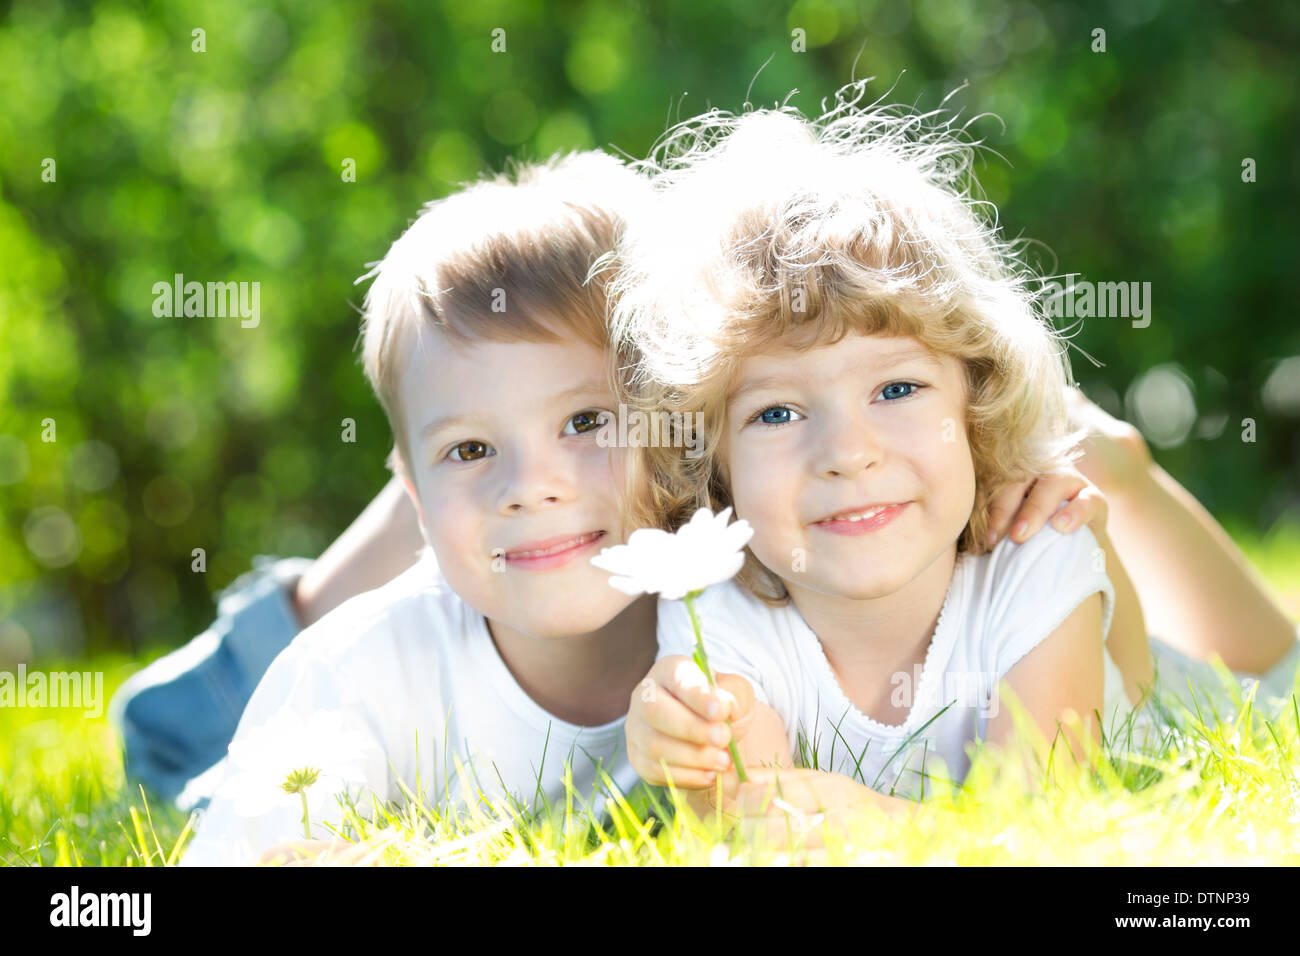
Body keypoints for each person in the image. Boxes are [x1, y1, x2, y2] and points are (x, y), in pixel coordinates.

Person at [611, 89, 1300, 832]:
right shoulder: (719, 613)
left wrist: (866, 821)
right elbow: (753, 820)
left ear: (974, 401)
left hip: (1228, 697)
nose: (846, 452)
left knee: (1283, 684)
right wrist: (690, 755)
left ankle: (1114, 464)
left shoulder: (1038, 558)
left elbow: (1035, 823)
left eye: (896, 387)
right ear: (716, 464)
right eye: (776, 413)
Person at [178, 150, 664, 864]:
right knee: (172, 750)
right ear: (413, 494)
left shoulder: (751, 620)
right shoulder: (351, 676)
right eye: (470, 450)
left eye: (586, 422)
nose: (530, 485)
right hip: (201, 738)